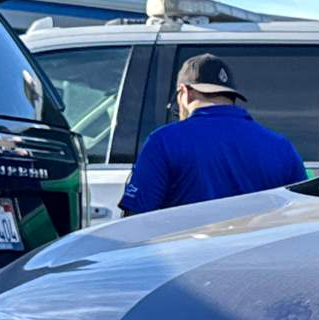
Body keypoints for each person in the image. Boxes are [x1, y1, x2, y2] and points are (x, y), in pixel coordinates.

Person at [118, 54, 308, 215]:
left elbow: (135, 219)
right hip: (258, 257)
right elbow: (304, 214)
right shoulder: (281, 145)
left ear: (185, 93)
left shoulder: (164, 142)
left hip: (190, 256)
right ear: (230, 95)